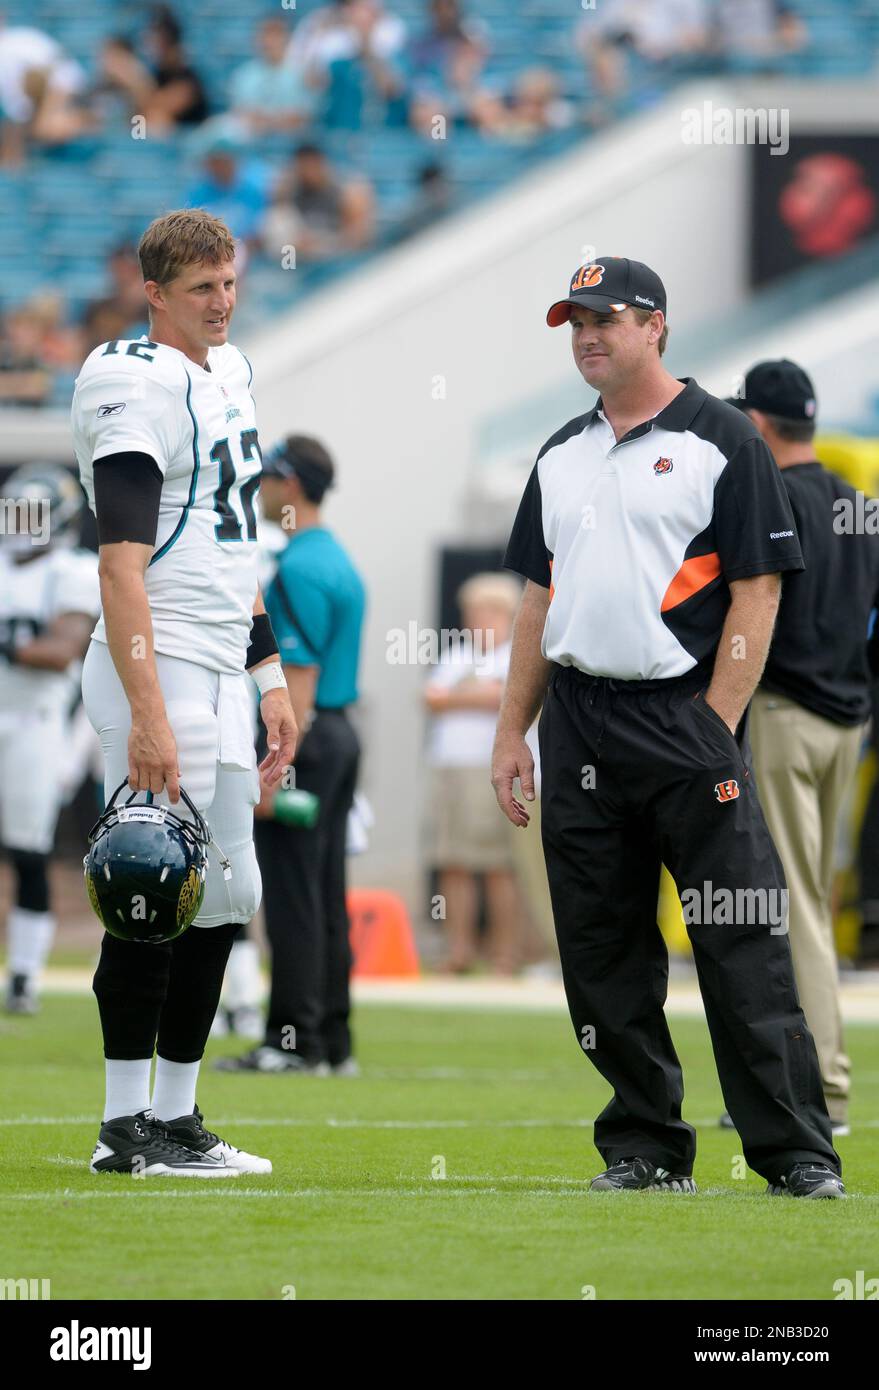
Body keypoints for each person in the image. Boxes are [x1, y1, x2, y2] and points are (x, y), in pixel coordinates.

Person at [492, 255, 843, 1198]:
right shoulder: (558, 451)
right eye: (575, 321)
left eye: (607, 318)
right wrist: (508, 732)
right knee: (602, 951)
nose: (588, 335)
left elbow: (756, 593)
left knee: (741, 941)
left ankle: (795, 1152)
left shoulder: (724, 437)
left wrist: (717, 723)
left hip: (683, 716)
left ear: (657, 326)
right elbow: (538, 599)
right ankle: (644, 1146)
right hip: (577, 720)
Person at [71, 207, 297, 1176]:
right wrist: (151, 712)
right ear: (153, 291)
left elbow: (231, 545)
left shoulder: (231, 372)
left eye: (231, 283)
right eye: (201, 289)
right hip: (153, 659)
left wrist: (269, 669)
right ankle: (126, 1126)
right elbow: (122, 568)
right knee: (150, 882)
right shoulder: (128, 377)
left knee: (225, 892)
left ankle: (176, 1116)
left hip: (218, 658)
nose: (223, 303)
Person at [726, 359, 879, 1137]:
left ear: (756, 423)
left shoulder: (770, 494)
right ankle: (811, 1083)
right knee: (811, 901)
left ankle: (819, 1090)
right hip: (849, 721)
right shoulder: (859, 504)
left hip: (787, 713)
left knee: (792, 909)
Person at [217, 435, 365, 1074]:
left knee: (292, 894)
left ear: (292, 485)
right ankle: (332, 1038)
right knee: (325, 891)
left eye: (272, 476)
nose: (264, 487)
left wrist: (278, 760)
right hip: (338, 730)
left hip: (304, 732)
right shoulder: (336, 557)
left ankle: (294, 1041)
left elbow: (296, 672)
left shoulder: (300, 565)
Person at [0, 464, 100, 1013]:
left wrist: (14, 649)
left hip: (36, 724)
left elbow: (61, 649)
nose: (20, 525)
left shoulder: (72, 571)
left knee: (29, 850)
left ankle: (23, 975)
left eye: (32, 513)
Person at [424, 572, 531, 974]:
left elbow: (502, 699)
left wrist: (454, 697)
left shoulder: (514, 656)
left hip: (489, 771)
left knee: (497, 865)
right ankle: (459, 950)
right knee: (453, 861)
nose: (475, 620)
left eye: (484, 611)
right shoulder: (458, 654)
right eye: (471, 612)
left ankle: (506, 953)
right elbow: (431, 699)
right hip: (448, 767)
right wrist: (471, 697)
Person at [262, 143, 375, 264]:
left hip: (338, 260)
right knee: (277, 219)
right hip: (303, 261)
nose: (306, 172)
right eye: (301, 167)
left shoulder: (344, 191)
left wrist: (322, 243)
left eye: (310, 165)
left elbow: (358, 237)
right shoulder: (295, 191)